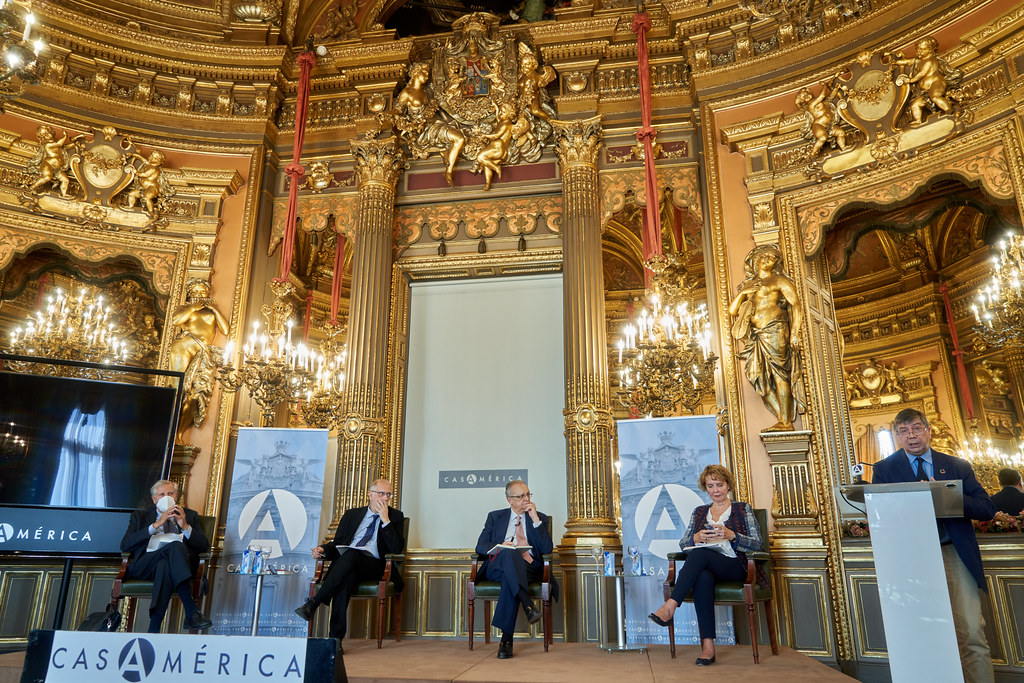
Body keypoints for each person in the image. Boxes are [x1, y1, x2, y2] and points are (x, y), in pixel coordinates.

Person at [872, 408, 995, 683]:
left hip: (954, 553)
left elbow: (987, 509)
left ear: (928, 430)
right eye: (903, 431)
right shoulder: (884, 470)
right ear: (897, 436)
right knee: (923, 636)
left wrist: (947, 495)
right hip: (912, 561)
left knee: (971, 632)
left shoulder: (956, 466)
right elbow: (880, 516)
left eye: (916, 428)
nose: (911, 435)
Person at [648, 464, 764, 666]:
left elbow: (758, 544)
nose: (715, 490)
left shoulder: (742, 509)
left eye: (719, 485)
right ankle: (708, 649)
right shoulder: (699, 512)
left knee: (700, 555)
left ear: (728, 486)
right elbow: (684, 544)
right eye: (710, 486)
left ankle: (670, 606)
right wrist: (696, 537)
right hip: (708, 567)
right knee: (702, 576)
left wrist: (732, 535)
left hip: (737, 566)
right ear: (705, 488)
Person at [293, 479, 405, 652]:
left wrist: (385, 521)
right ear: (370, 494)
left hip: (375, 566)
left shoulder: (395, 517)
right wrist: (322, 550)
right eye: (381, 493)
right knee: (345, 579)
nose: (385, 498)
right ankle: (335, 640)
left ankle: (313, 603)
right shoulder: (352, 515)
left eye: (388, 494)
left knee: (351, 554)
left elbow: (397, 549)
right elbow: (338, 544)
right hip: (350, 564)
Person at [473, 479, 556, 659]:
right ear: (509, 500)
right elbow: (480, 546)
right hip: (497, 567)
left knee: (510, 578)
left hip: (529, 568)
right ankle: (527, 605)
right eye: (521, 496)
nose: (526, 499)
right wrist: (500, 545)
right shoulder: (495, 517)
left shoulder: (539, 517)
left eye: (528, 494)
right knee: (509, 554)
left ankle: (507, 640)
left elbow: (547, 549)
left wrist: (535, 519)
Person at [120, 479, 212, 633]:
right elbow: (125, 545)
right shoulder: (139, 517)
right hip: (145, 565)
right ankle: (191, 611)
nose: (166, 497)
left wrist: (185, 526)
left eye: (170, 493)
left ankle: (154, 628)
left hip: (174, 567)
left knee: (164, 565)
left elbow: (203, 546)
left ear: (176, 497)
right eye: (162, 494)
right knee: (174, 547)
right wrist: (155, 525)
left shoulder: (190, 516)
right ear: (154, 499)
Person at [728, 245, 803, 431]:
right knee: (756, 376)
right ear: (756, 261)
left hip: (776, 329)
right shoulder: (748, 285)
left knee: (779, 374)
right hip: (756, 336)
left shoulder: (779, 281)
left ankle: (786, 423)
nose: (768, 259)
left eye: (772, 257)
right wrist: (744, 293)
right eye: (764, 256)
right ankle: (782, 417)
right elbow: (732, 311)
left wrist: (794, 332)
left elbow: (796, 305)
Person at [169, 278, 229, 444]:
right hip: (184, 347)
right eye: (195, 292)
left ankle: (178, 432)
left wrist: (215, 311)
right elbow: (176, 320)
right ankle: (171, 431)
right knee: (179, 389)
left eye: (203, 292)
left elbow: (225, 330)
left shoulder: (210, 312)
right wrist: (192, 307)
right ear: (190, 294)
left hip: (203, 352)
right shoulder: (185, 309)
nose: (200, 295)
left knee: (195, 394)